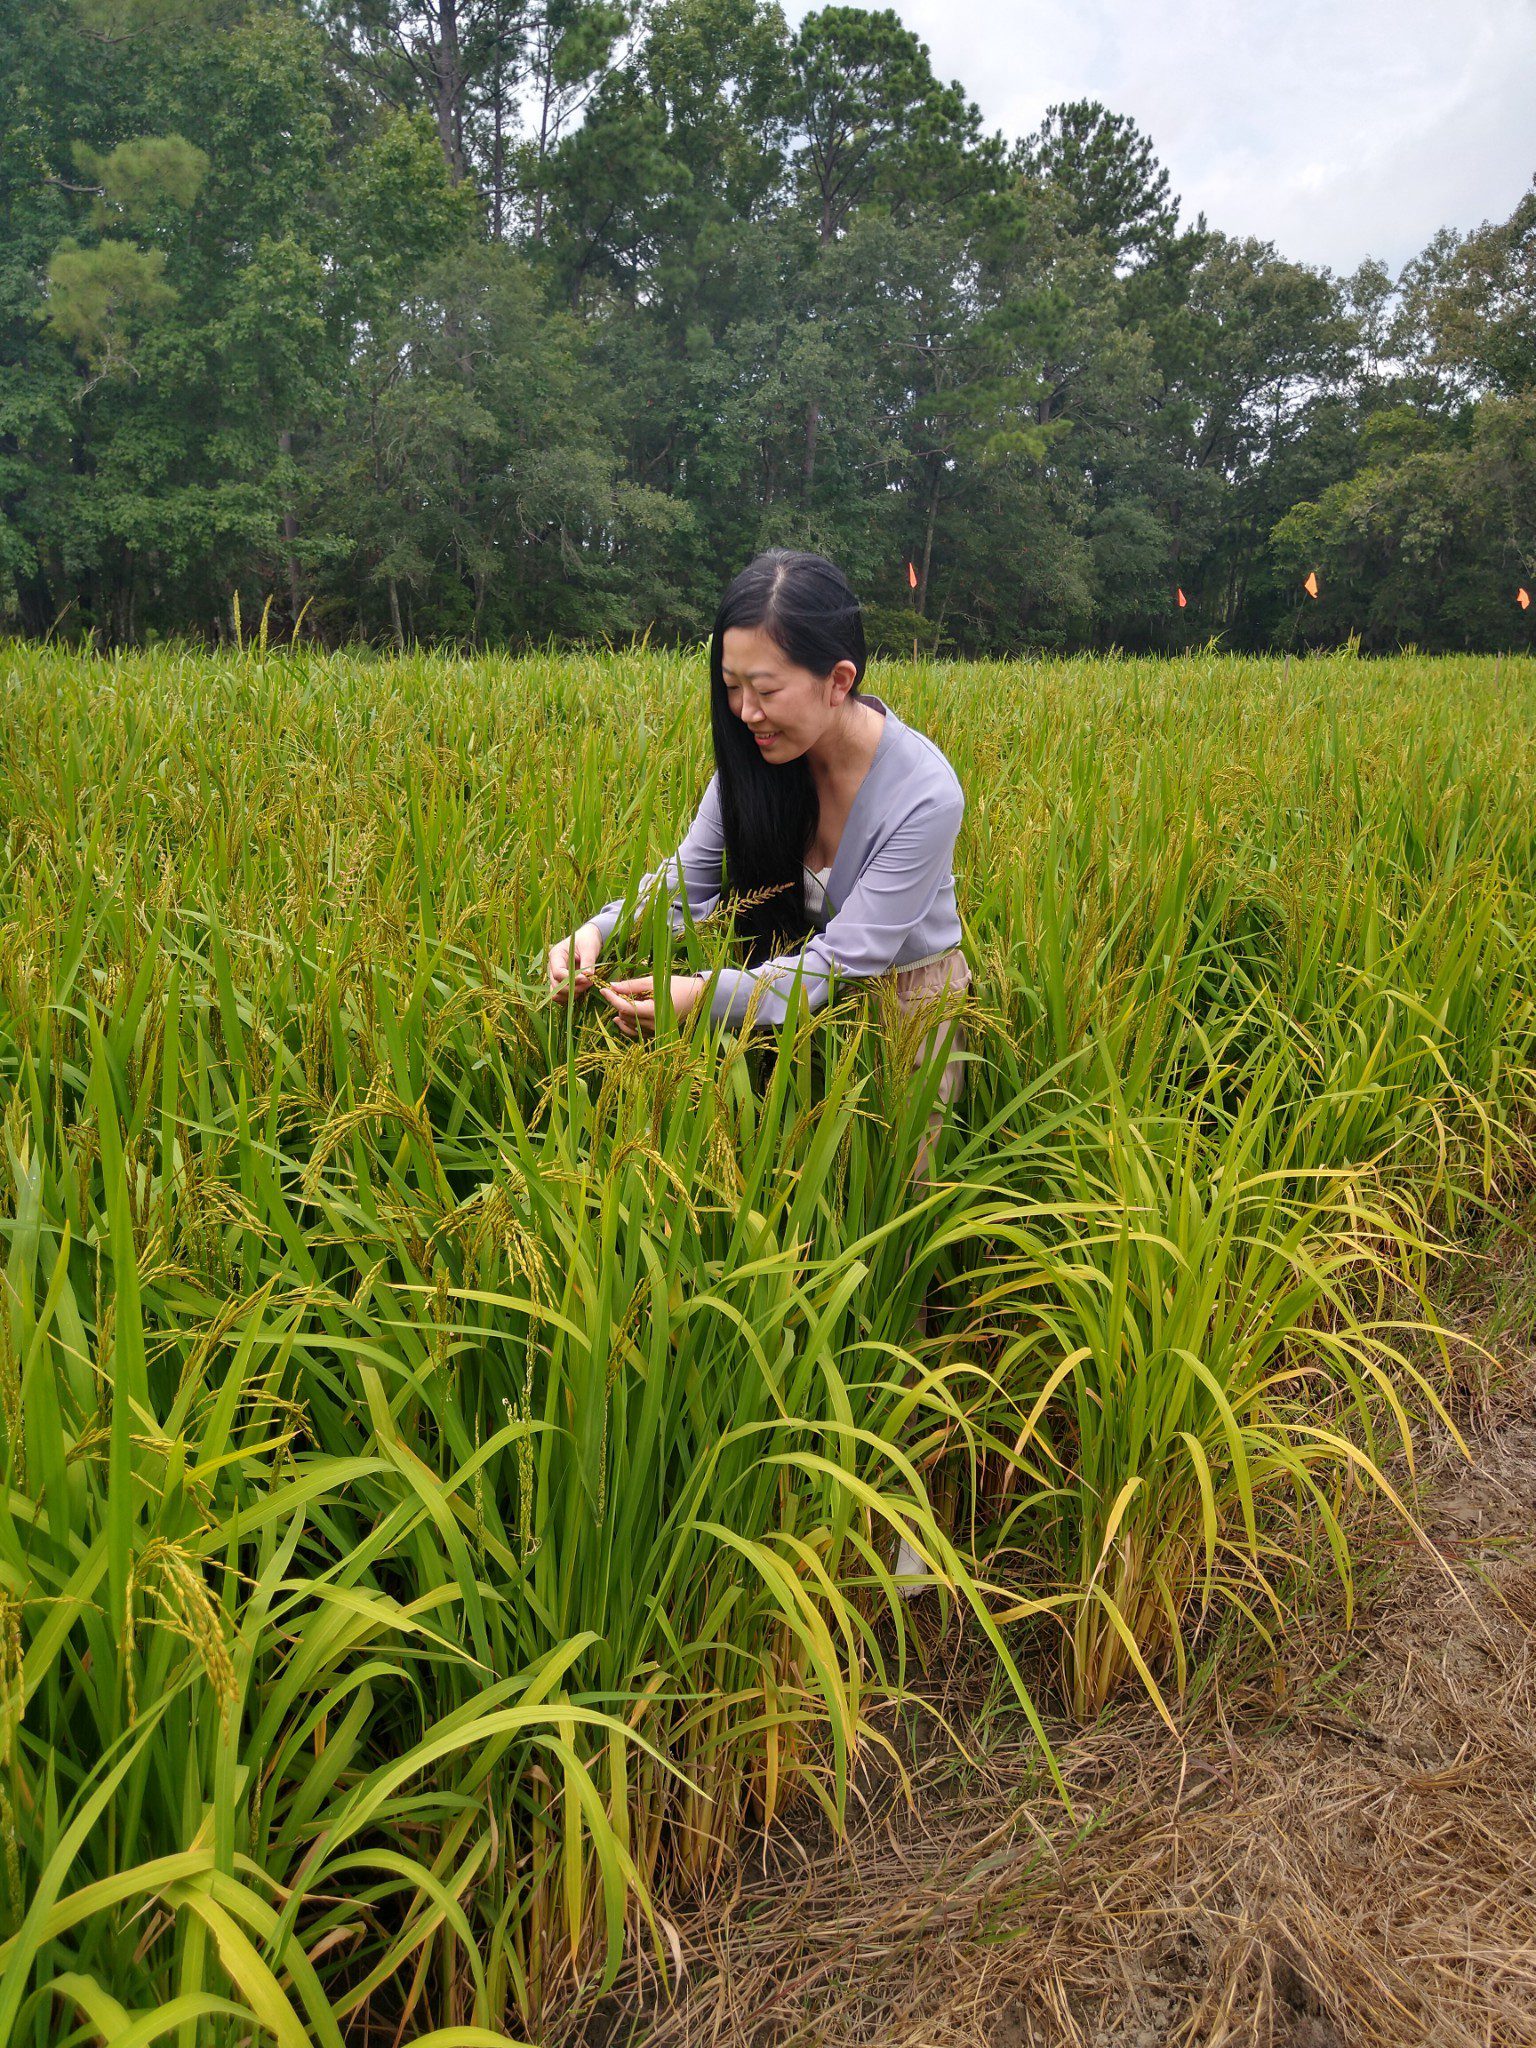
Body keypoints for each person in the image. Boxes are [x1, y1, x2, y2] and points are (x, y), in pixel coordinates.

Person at [547, 548, 971, 1179]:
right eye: (731, 687)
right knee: (777, 1182)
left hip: (905, 1007)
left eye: (766, 690)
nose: (745, 713)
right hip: (775, 988)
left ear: (839, 680)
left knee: (893, 1195)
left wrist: (699, 995)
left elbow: (844, 961)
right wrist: (597, 931)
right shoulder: (753, 764)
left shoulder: (925, 796)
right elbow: (685, 881)